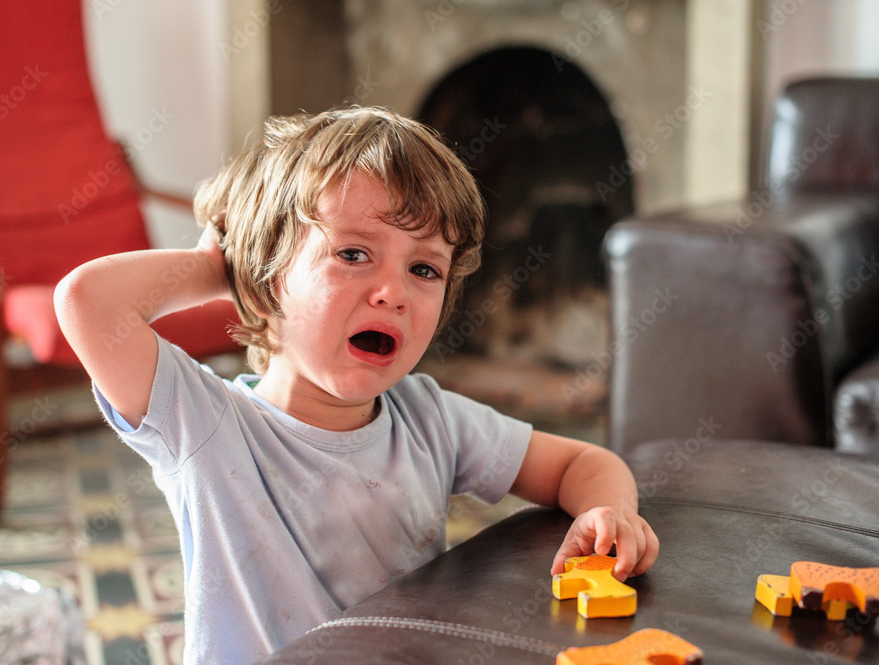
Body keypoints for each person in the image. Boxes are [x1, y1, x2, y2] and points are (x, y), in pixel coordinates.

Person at [54, 107, 658, 664]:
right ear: (267, 280)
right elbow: (87, 303)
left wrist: (610, 512)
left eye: (424, 269)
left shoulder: (429, 419)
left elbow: (581, 460)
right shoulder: (207, 426)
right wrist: (223, 269)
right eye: (353, 254)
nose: (393, 292)